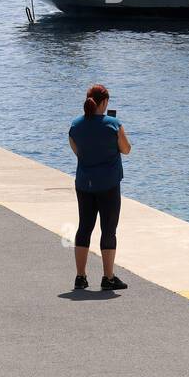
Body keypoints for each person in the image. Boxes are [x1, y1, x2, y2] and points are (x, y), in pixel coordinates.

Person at [67, 84, 131, 292]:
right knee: (108, 229)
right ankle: (108, 277)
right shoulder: (113, 124)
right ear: (103, 102)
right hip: (109, 184)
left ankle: (80, 277)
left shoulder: (76, 125)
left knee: (84, 227)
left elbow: (77, 151)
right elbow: (126, 149)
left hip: (84, 184)